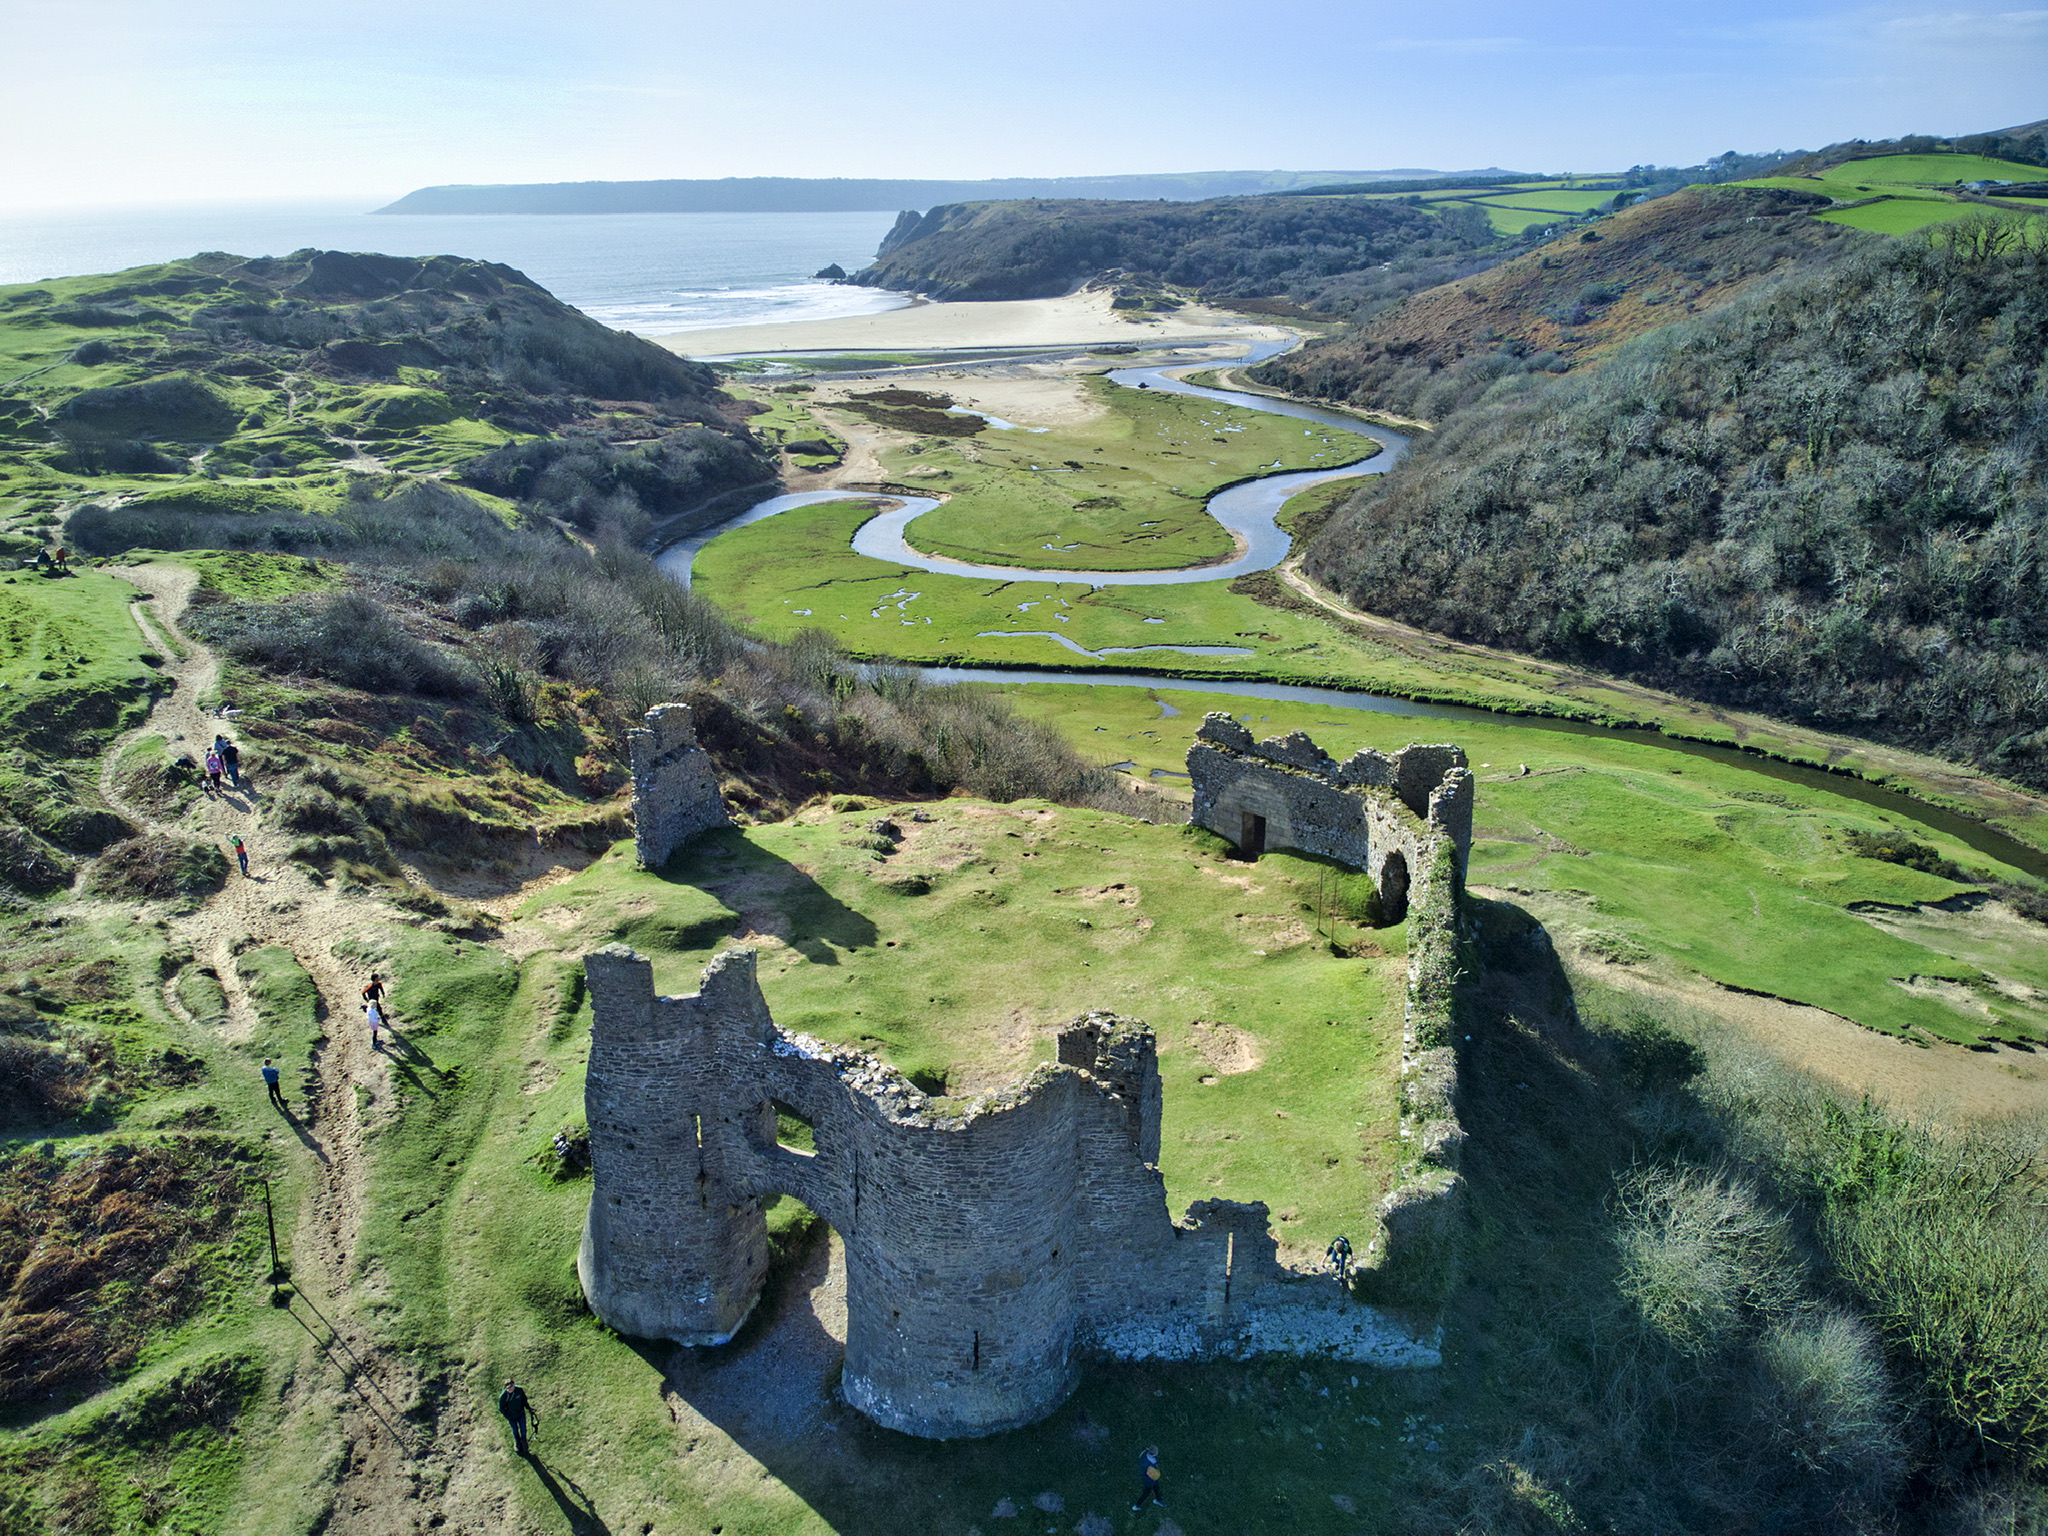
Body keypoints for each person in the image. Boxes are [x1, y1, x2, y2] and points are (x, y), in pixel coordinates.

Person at [498, 1379, 534, 1456]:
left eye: (511, 1387)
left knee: (523, 1429)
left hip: (521, 1414)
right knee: (515, 1430)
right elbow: (501, 1408)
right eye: (508, 1388)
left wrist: (529, 1408)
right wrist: (508, 1416)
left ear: (514, 1385)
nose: (510, 1389)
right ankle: (517, 1442)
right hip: (511, 1417)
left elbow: (524, 1400)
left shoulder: (519, 1391)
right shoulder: (503, 1397)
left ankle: (524, 1442)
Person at [1132, 1445, 1164, 1511]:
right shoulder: (1151, 1462)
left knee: (1156, 1487)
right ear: (1154, 1454)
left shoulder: (1144, 1454)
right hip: (1149, 1479)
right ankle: (1136, 1506)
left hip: (1147, 1476)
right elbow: (1153, 1472)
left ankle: (1158, 1499)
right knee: (1146, 1493)